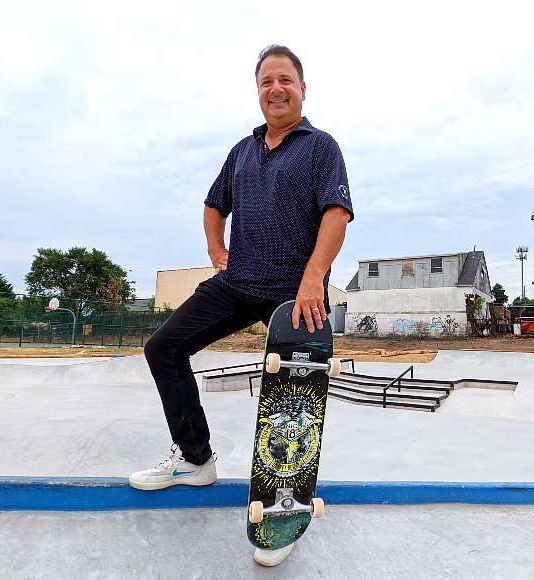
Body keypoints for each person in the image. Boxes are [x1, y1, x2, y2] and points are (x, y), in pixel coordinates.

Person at [129, 44, 353, 566]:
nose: (276, 89)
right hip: (238, 281)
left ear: (302, 88)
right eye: (266, 81)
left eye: (285, 80)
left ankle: (283, 509)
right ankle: (196, 458)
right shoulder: (242, 150)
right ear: (258, 91)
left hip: (293, 290)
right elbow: (214, 205)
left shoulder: (321, 147)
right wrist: (216, 251)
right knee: (163, 348)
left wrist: (313, 277)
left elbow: (337, 212)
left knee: (295, 391)